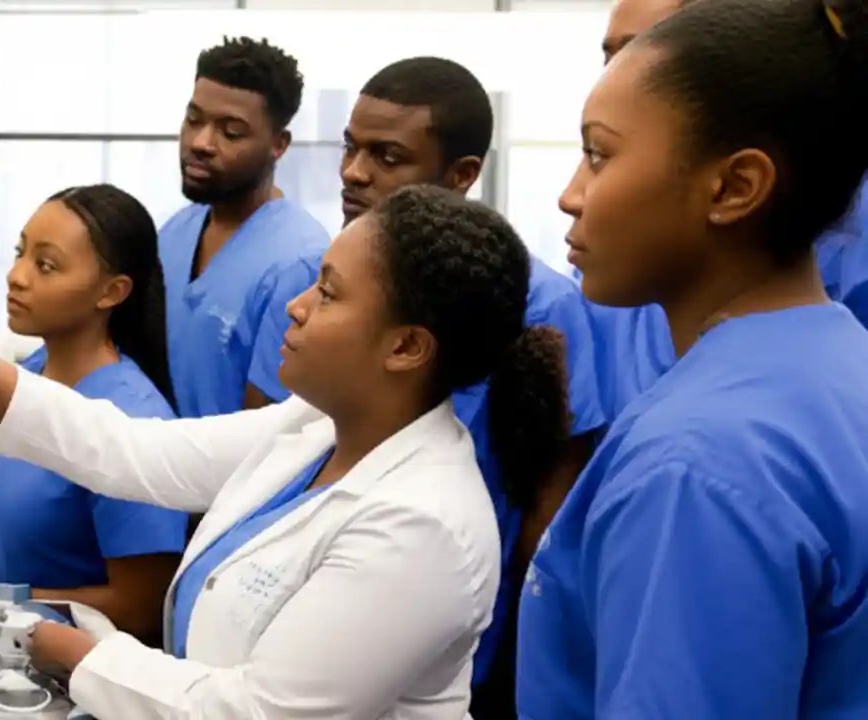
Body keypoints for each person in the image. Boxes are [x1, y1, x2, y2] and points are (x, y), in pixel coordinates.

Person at [0, 185, 570, 719]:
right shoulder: (314, 428)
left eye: (328, 293)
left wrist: (87, 659)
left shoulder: (424, 525)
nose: (296, 306)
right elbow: (134, 452)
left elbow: (259, 712)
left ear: (406, 346)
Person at [520, 0, 868, 717]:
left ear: (735, 187)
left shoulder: (695, 465)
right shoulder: (837, 365)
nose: (569, 196)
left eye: (599, 154)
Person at [246, 57, 606, 711]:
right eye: (350, 147)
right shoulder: (312, 281)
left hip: (452, 631)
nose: (355, 172)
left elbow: (550, 512)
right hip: (295, 596)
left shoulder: (540, 306)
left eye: (386, 156)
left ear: (462, 174)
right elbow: (268, 451)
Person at [588, 0, 868, 419]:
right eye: (608, 53)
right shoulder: (626, 260)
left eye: (637, 49)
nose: (615, 70)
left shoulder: (700, 448)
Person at [0, 185, 187, 643]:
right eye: (20, 253)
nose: (17, 276)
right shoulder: (28, 377)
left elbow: (140, 609)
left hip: (70, 672)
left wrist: (4, 605)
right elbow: (3, 550)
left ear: (112, 292)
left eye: (45, 265)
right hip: (2, 643)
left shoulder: (136, 422)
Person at [159, 36, 330, 418]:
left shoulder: (300, 263)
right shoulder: (175, 231)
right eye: (194, 120)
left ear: (278, 145)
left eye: (231, 132)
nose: (201, 142)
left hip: (224, 476)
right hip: (144, 464)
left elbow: (268, 433)